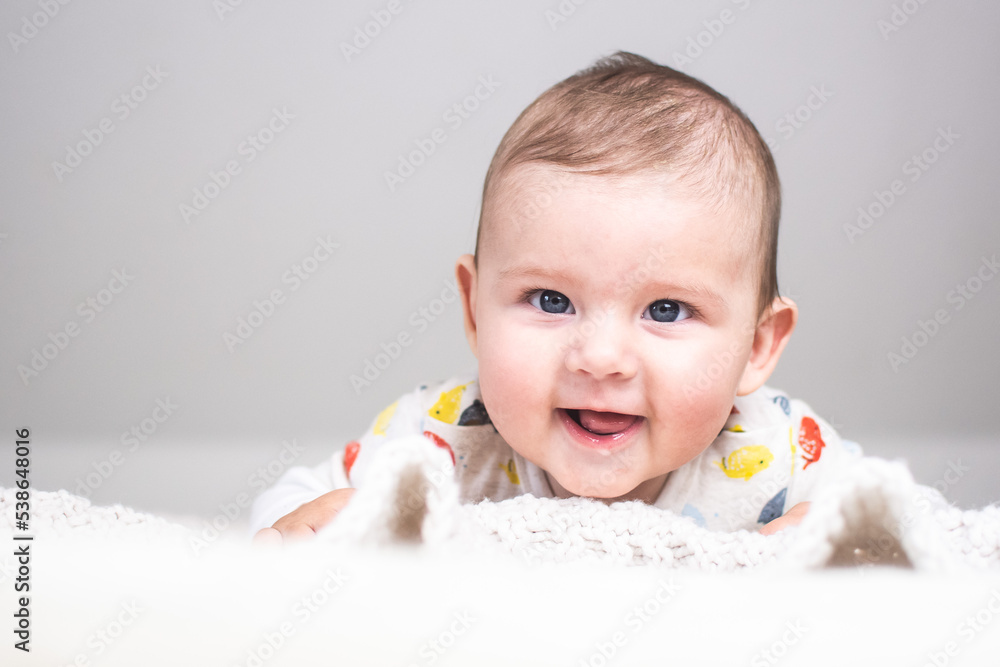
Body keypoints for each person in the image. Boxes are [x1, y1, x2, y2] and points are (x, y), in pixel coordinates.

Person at [250, 51, 860, 545]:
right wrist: (317, 526)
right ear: (474, 311)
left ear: (756, 345)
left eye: (666, 310)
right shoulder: (439, 440)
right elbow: (295, 505)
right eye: (549, 300)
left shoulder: (779, 447)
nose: (599, 358)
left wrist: (853, 541)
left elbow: (918, 531)